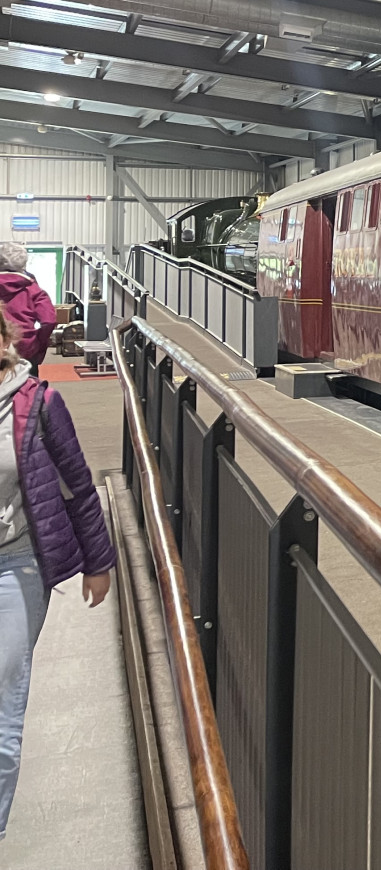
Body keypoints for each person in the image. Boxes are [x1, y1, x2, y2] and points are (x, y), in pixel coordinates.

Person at [0, 310, 114, 840]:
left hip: (16, 566)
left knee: (3, 706)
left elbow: (77, 484)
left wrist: (98, 561)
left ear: (5, 343)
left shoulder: (39, 403)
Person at [0, 246, 57, 377]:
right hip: (25, 348)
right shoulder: (33, 290)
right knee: (27, 392)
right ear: (23, 264)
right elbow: (49, 320)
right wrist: (39, 343)